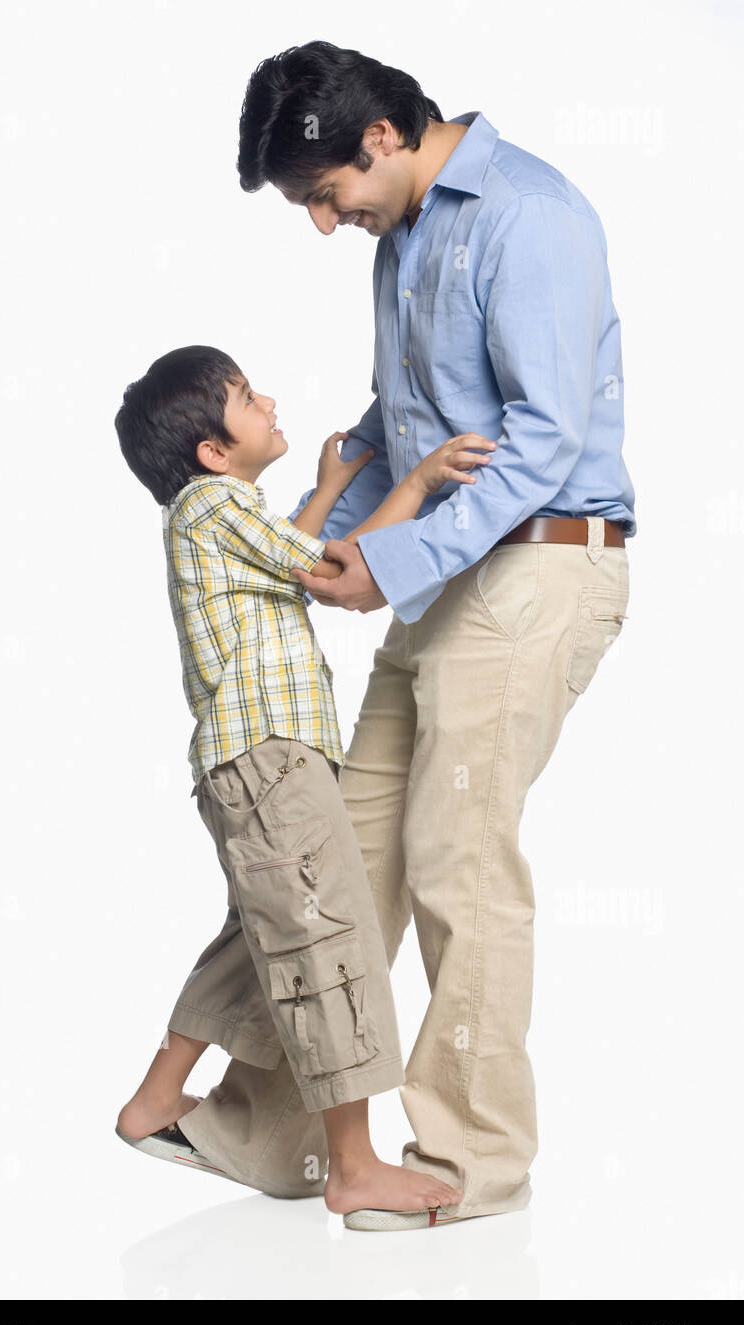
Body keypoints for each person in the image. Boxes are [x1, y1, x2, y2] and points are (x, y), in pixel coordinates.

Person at [176, 42, 637, 1224]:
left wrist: (389, 559)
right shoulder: (410, 237)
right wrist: (309, 532)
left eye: (324, 196)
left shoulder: (531, 217)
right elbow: (405, 417)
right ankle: (272, 1132)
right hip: (444, 579)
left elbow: (539, 440)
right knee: (342, 854)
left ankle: (469, 1157)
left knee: (450, 855)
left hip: (535, 568)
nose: (326, 225)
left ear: (377, 137)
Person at [112, 342, 496, 1227]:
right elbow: (328, 571)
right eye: (248, 398)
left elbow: (292, 547)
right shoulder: (211, 504)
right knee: (331, 941)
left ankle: (156, 1099)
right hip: (270, 758)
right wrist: (421, 483)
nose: (269, 400)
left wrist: (327, 486)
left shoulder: (214, 511)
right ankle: (353, 1167)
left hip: (258, 762)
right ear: (213, 450)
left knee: (262, 932)